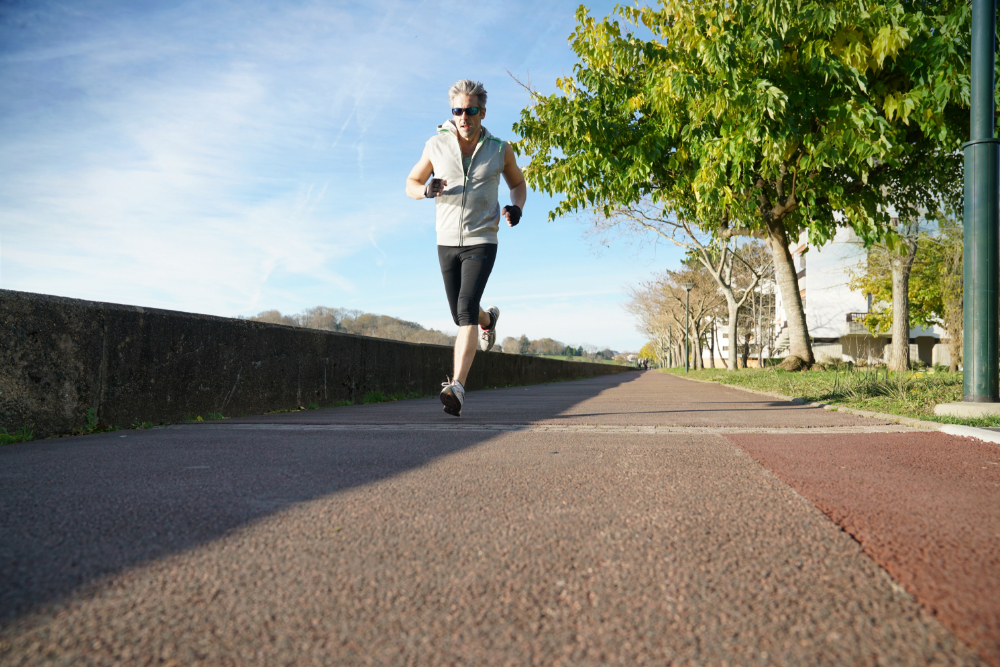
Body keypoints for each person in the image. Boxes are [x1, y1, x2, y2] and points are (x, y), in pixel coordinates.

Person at [405, 79, 526, 416]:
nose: (464, 117)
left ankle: (456, 386)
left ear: (482, 112)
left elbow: (518, 184)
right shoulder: (435, 145)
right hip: (446, 240)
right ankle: (489, 320)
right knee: (463, 313)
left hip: (482, 239)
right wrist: (426, 191)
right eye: (457, 110)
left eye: (471, 110)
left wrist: (517, 208)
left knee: (464, 310)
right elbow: (410, 184)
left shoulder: (500, 149)